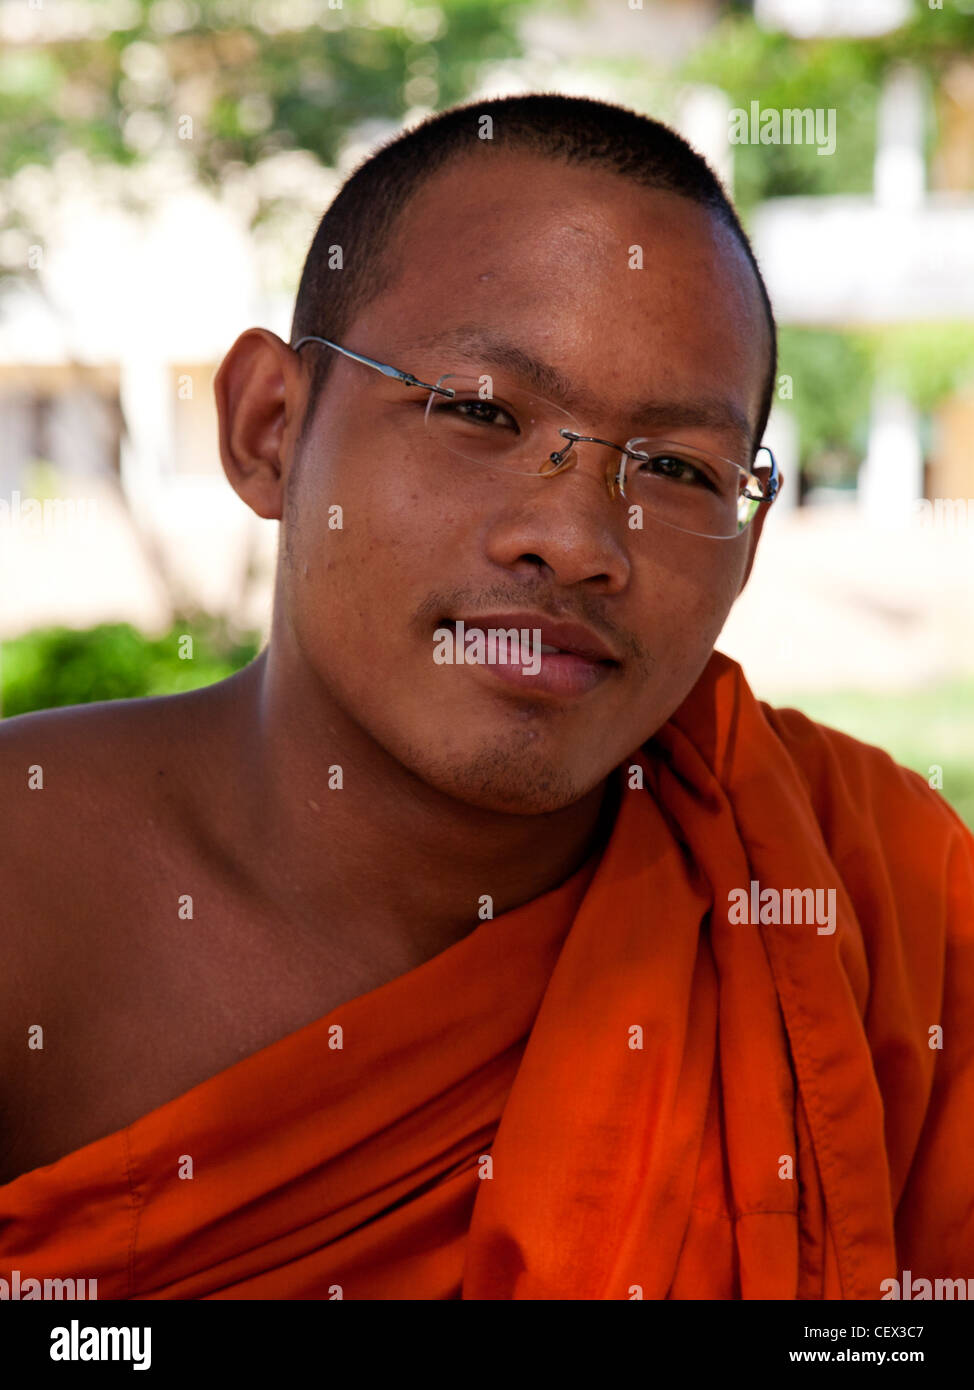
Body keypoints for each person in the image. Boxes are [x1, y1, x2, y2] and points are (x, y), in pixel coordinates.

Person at [1, 93, 971, 1301]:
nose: (573, 541)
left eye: (675, 469)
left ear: (746, 541)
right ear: (269, 430)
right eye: (476, 410)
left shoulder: (859, 898)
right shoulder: (25, 887)